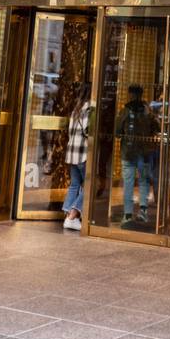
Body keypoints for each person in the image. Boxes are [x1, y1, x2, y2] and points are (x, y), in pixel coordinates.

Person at [115, 83, 159, 226]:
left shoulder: (125, 110)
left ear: (130, 94)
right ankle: (143, 211)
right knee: (143, 181)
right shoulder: (148, 110)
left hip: (128, 151)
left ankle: (128, 215)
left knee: (128, 183)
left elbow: (117, 131)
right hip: (145, 151)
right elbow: (157, 127)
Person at [62, 85, 92, 231]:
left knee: (74, 185)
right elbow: (88, 132)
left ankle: (68, 215)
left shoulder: (75, 110)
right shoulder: (88, 110)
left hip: (71, 153)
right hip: (82, 153)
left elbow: (70, 132)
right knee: (89, 185)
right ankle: (72, 216)